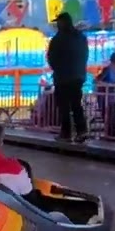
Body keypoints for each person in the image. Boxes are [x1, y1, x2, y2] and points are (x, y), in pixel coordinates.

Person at [46, 12, 90, 142]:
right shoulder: (81, 38)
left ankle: (66, 133)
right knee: (77, 105)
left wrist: (58, 69)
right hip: (78, 77)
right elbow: (85, 56)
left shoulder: (58, 39)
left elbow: (52, 58)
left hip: (63, 78)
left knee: (64, 106)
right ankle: (82, 131)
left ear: (61, 23)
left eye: (58, 22)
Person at [94, 52, 115, 138]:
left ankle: (112, 134)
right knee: (108, 117)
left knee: (112, 117)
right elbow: (97, 80)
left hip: (111, 97)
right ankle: (109, 135)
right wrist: (109, 85)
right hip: (105, 97)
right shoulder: (108, 69)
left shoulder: (114, 70)